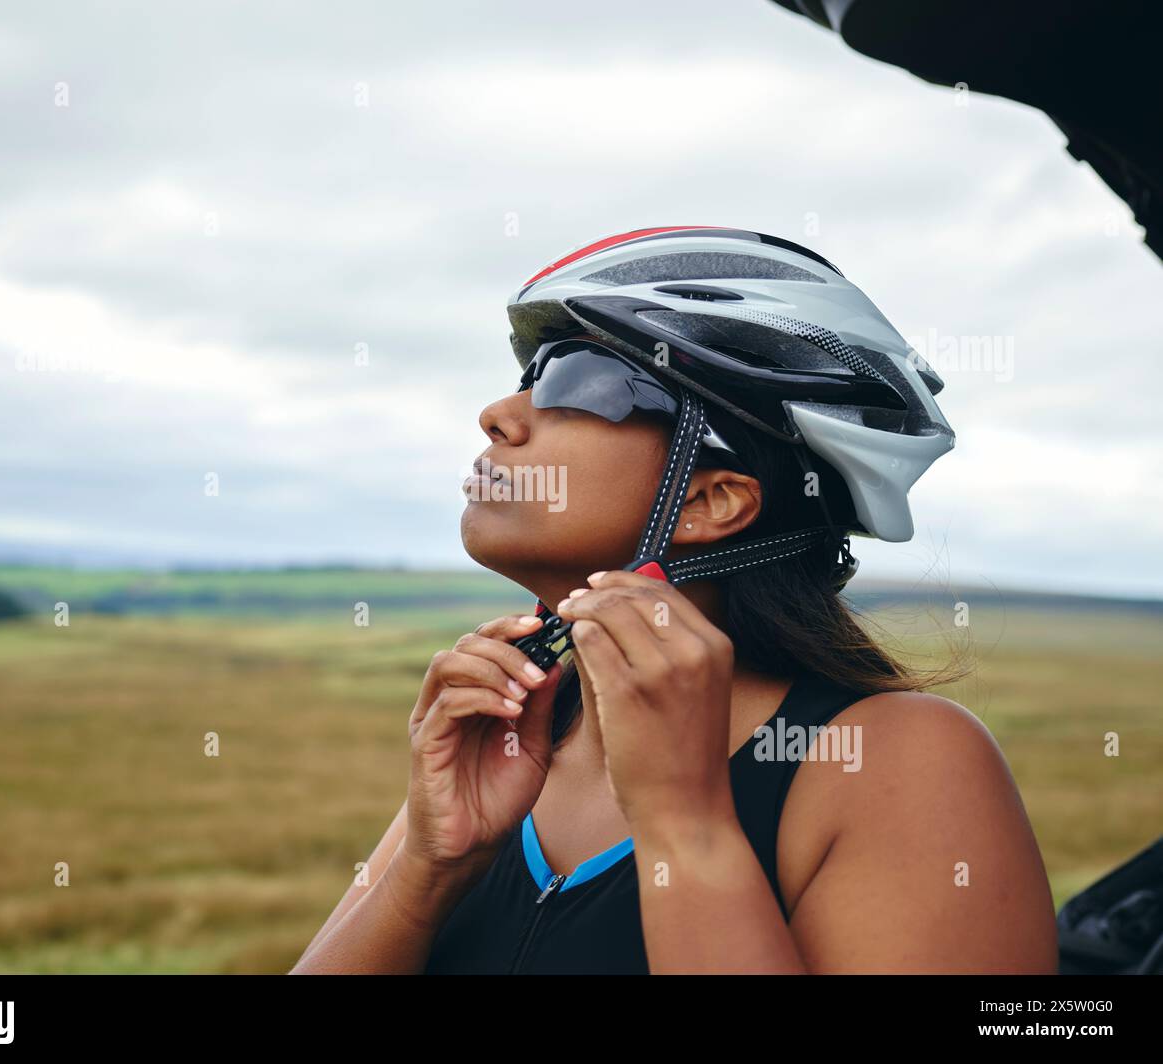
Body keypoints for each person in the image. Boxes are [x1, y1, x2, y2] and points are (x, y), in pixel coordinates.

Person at [292, 226, 1058, 974]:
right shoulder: (508, 735)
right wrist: (425, 872)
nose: (499, 415)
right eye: (529, 378)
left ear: (713, 499)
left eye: (577, 380)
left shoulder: (899, 763)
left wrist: (682, 826)